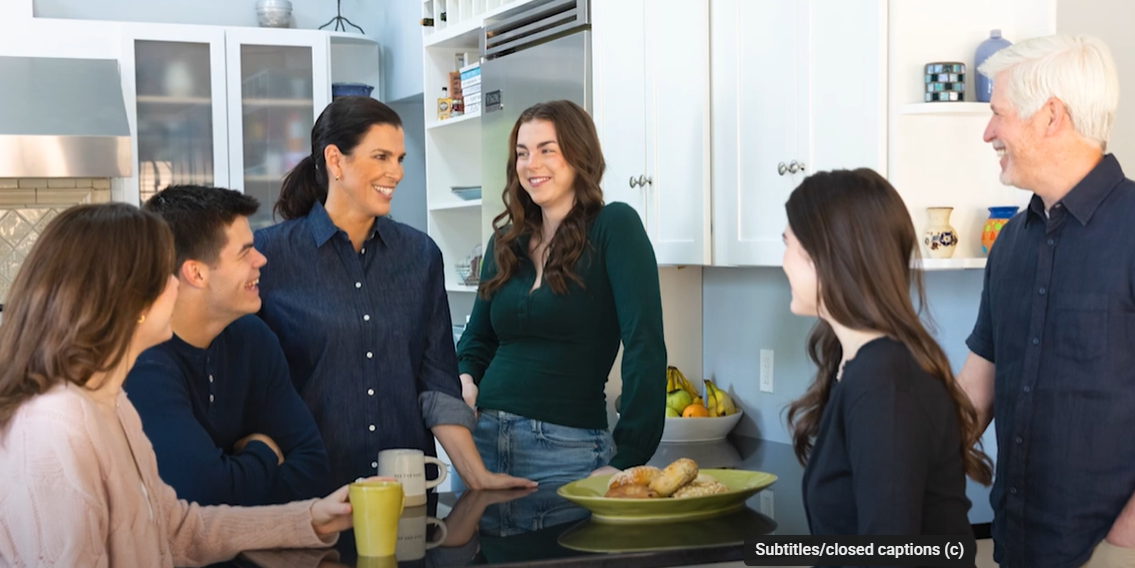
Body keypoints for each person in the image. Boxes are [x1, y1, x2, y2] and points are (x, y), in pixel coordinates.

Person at [0, 203, 358, 567]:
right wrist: (266, 457)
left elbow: (176, 532)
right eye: (163, 274)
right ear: (126, 297)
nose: (177, 284)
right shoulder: (55, 430)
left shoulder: (112, 405)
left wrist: (310, 519)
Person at [255, 96, 533, 492]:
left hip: (406, 497)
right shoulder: (268, 256)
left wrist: (478, 478)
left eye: (399, 159)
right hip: (309, 496)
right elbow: (250, 389)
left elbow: (437, 384)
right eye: (381, 157)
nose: (397, 172)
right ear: (335, 161)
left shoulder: (420, 256)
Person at [959, 34, 1135, 568]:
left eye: (999, 114)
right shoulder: (1010, 244)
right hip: (1016, 546)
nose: (988, 132)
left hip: (1109, 552)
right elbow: (976, 393)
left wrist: (1125, 534)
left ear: (1051, 116)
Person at [456, 100, 667, 484]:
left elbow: (644, 344)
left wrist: (630, 453)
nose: (531, 164)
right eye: (522, 153)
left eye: (546, 150)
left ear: (579, 154)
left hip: (566, 450)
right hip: (478, 444)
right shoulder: (505, 242)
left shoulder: (614, 227)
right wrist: (466, 377)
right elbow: (477, 339)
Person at [781, 169, 993, 537]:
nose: (783, 261)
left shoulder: (884, 385)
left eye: (788, 244)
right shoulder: (854, 366)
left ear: (827, 257)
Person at [123, 185, 330, 507]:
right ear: (196, 273)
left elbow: (313, 470)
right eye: (245, 252)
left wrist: (231, 474)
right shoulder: (142, 360)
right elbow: (200, 493)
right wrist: (263, 452)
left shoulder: (253, 338)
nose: (261, 259)